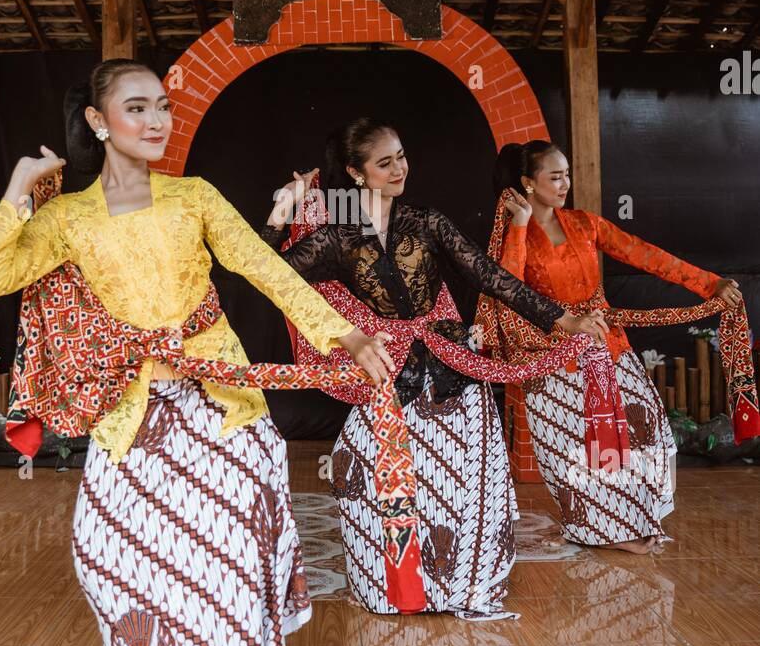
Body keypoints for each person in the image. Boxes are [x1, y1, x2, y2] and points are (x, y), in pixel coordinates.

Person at [0, 60, 392, 646]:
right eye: (137, 108)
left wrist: (341, 333)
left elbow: (264, 267)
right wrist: (20, 187)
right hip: (130, 409)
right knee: (107, 550)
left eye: (163, 106)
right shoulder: (68, 218)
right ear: (99, 123)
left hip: (217, 400)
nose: (157, 120)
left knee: (223, 554)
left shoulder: (193, 195)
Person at [260, 118, 606, 620]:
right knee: (374, 484)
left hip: (450, 370)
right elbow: (269, 276)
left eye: (402, 155)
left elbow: (487, 275)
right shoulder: (339, 236)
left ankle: (466, 588)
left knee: (466, 488)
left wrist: (563, 318)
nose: (401, 167)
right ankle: (395, 589)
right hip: (389, 377)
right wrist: (281, 212)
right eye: (386, 162)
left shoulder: (425, 220)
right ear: (358, 174)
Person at [490, 140, 742, 554]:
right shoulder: (514, 235)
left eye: (567, 173)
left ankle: (637, 519)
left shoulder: (584, 224)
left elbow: (645, 254)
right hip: (554, 358)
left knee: (646, 429)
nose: (565, 183)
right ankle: (604, 531)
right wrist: (518, 226)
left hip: (607, 345)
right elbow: (508, 289)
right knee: (577, 450)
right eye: (555, 177)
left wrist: (708, 282)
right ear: (527, 183)